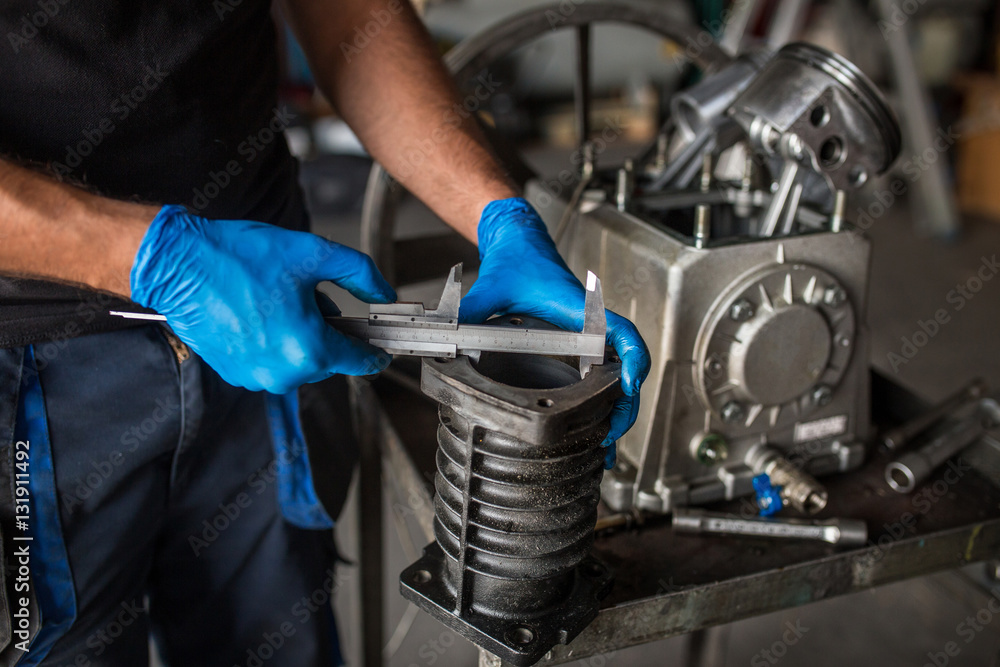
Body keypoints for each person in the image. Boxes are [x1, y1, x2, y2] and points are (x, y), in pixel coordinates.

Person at [0, 0, 650, 664]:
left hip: (275, 314)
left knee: (276, 640)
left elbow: (348, 15)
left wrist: (498, 213)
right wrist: (155, 257)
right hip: (39, 358)